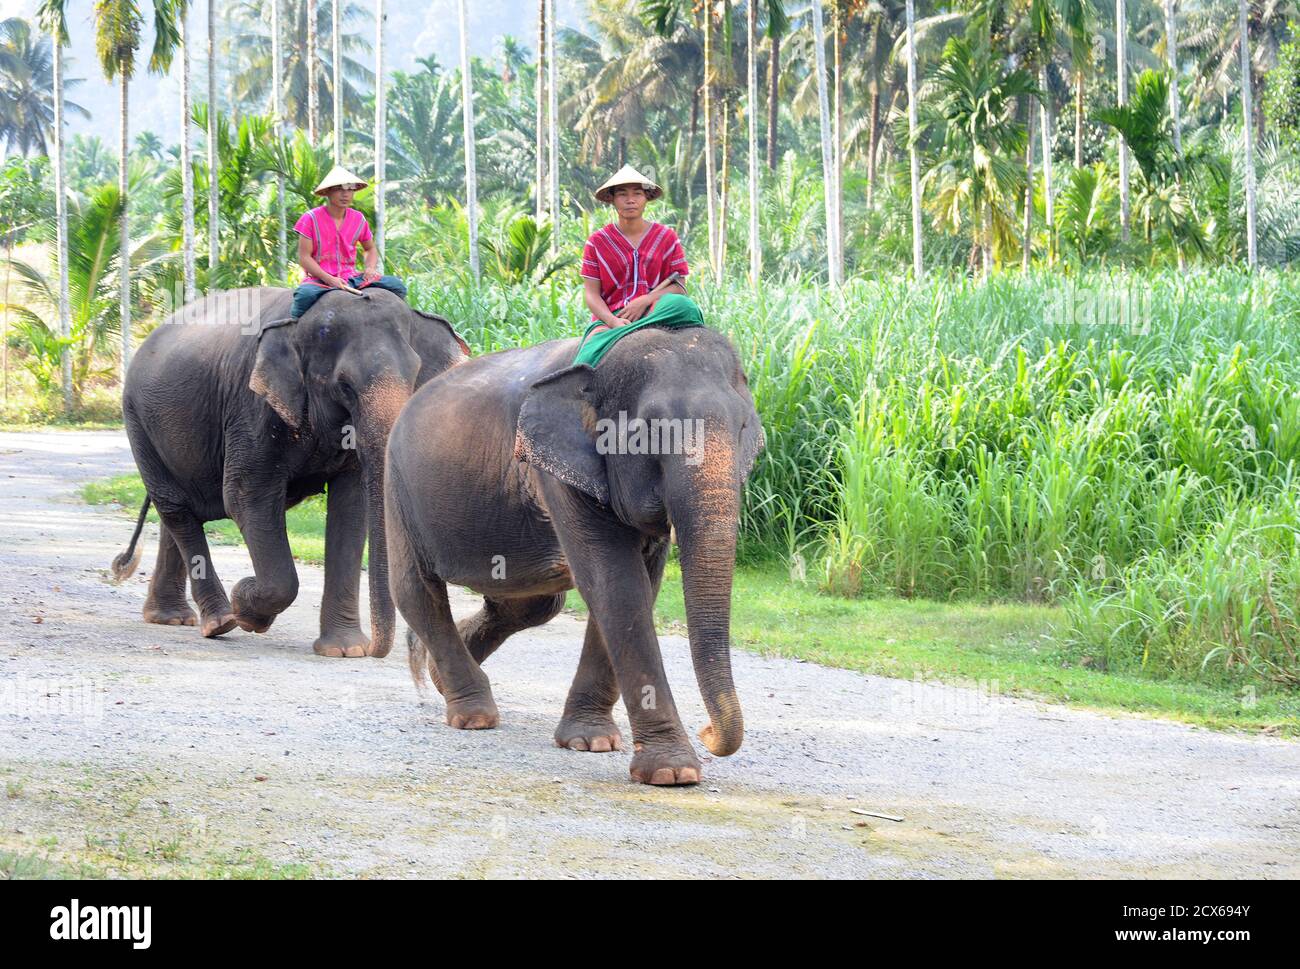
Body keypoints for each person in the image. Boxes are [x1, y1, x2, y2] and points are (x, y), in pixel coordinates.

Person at [574, 165, 704, 367]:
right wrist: (613, 321)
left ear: (646, 198)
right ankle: (616, 333)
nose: (630, 200)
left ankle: (629, 329)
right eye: (623, 194)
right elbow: (591, 294)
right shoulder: (596, 242)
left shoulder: (667, 237)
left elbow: (679, 287)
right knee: (584, 361)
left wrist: (645, 300)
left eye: (637, 193)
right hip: (615, 317)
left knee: (685, 306)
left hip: (655, 310)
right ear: (613, 199)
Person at [289, 165, 407, 319]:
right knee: (304, 296)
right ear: (328, 191)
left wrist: (370, 268)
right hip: (320, 280)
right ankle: (291, 328)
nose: (345, 194)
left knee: (397, 286)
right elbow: (304, 258)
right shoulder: (310, 218)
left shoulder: (358, 219)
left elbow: (370, 249)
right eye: (339, 189)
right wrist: (330, 279)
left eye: (350, 189)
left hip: (351, 277)